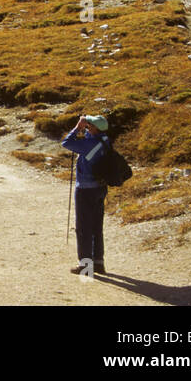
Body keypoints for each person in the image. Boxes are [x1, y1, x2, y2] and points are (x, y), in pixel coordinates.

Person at [62, 114, 111, 277]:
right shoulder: (105, 141)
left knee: (83, 227)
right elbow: (92, 137)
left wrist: (78, 128)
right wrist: (88, 127)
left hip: (85, 189)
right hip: (100, 188)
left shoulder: (89, 144)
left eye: (91, 125)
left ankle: (85, 265)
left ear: (95, 128)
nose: (88, 126)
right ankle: (98, 263)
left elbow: (67, 143)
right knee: (97, 226)